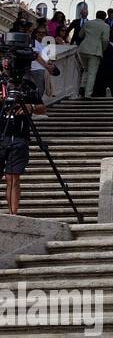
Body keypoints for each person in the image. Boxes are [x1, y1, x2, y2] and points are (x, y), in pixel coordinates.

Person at [0, 47, 47, 216]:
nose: (7, 67)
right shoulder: (1, 84)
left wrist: (30, 106)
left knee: (13, 177)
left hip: (19, 136)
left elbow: (42, 108)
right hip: (2, 133)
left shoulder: (26, 85)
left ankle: (13, 214)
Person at [75, 10, 111, 99]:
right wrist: (102, 48)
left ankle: (82, 87)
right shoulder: (106, 26)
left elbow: (80, 34)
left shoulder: (88, 23)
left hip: (83, 48)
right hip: (95, 50)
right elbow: (105, 40)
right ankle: (88, 93)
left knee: (85, 70)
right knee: (92, 73)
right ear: (104, 17)